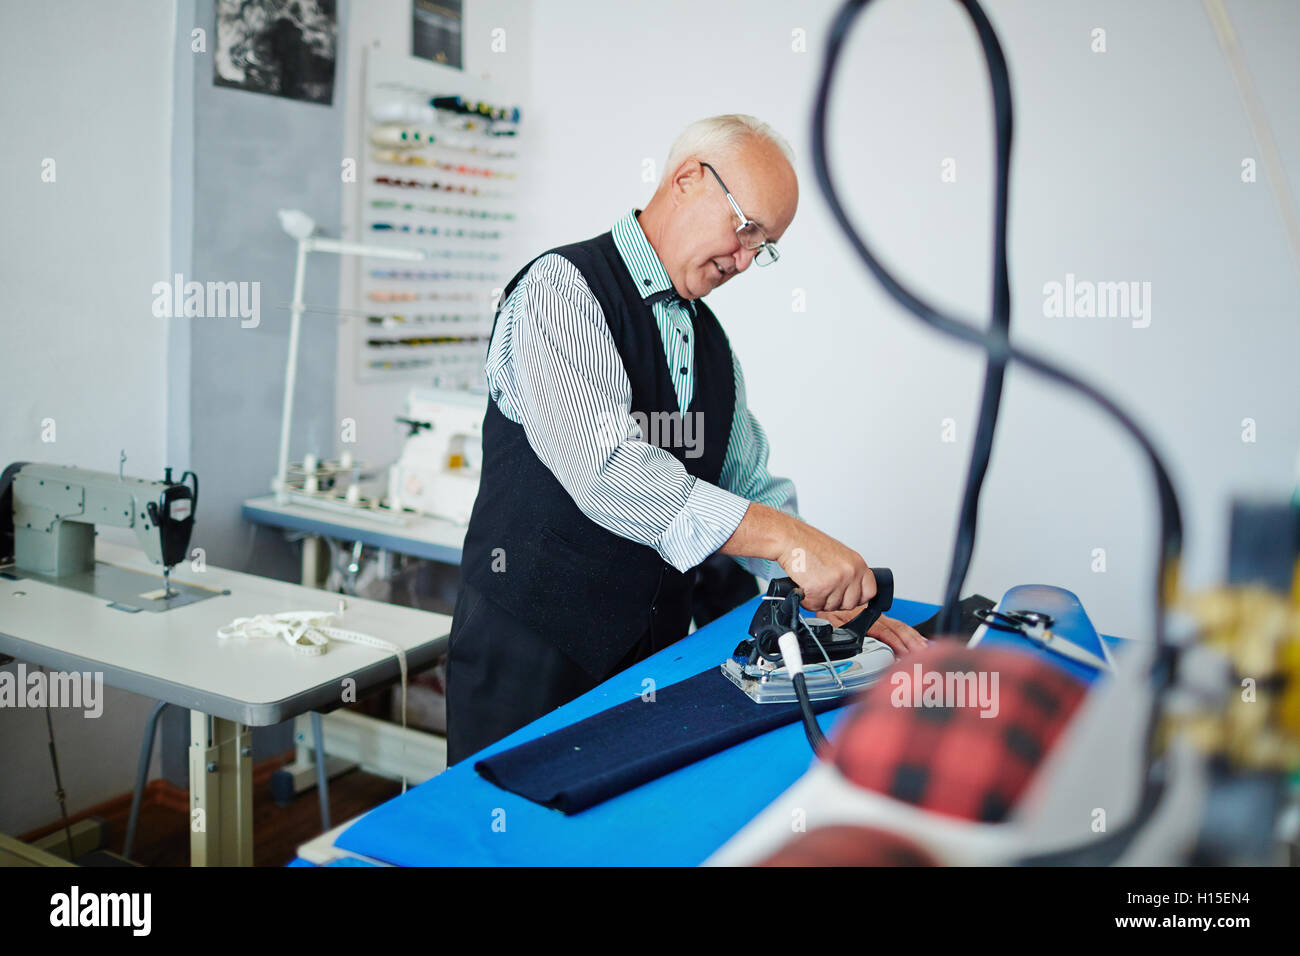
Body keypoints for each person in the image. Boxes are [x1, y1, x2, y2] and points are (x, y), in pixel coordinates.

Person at [446, 114, 926, 765]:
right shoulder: (560, 291)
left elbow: (746, 483)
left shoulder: (712, 343)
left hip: (651, 663)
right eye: (747, 228)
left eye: (767, 246)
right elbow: (608, 469)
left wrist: (832, 596)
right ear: (687, 180)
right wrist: (790, 541)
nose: (748, 260)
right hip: (530, 662)